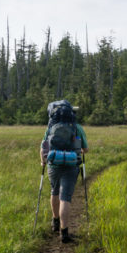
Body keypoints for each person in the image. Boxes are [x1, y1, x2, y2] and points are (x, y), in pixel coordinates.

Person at [40, 104, 88, 243]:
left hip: (53, 164)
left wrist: (43, 162)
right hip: (71, 165)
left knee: (54, 192)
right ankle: (64, 232)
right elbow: (85, 148)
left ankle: (55, 222)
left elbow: (43, 148)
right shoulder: (77, 128)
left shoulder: (51, 127)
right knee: (65, 197)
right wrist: (80, 151)